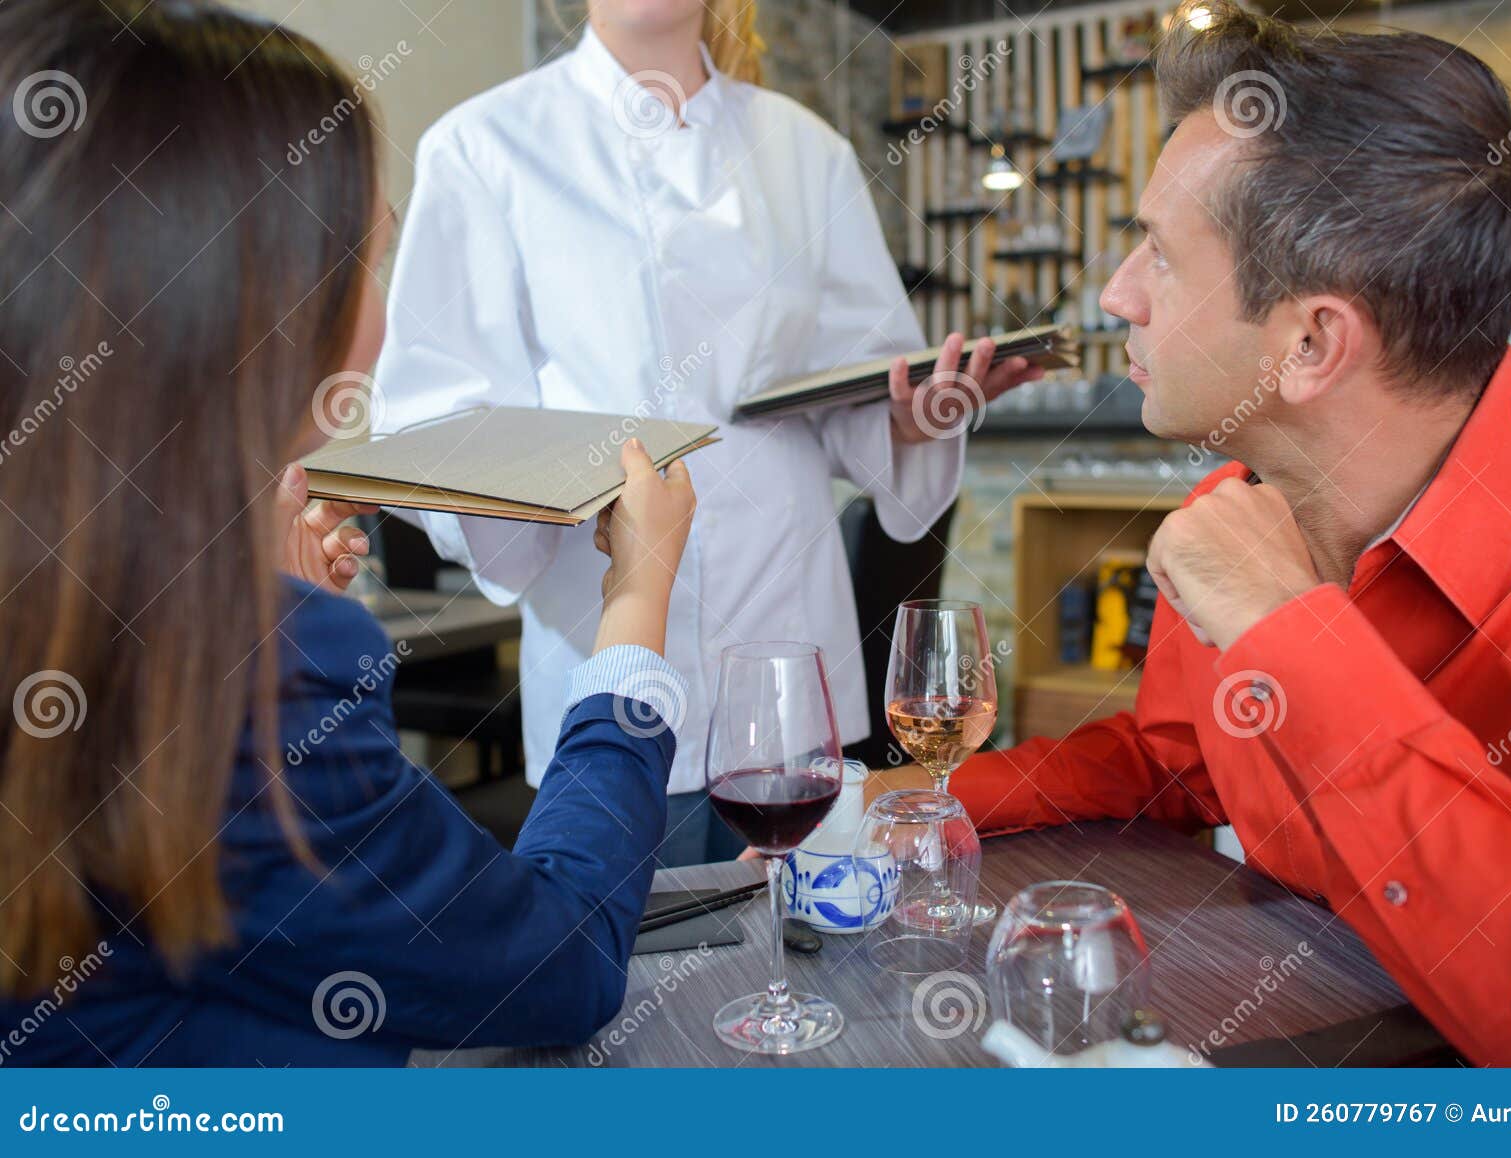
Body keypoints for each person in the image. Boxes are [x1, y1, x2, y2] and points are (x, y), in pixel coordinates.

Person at [0, 0, 694, 1066]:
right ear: (263, 304)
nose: (384, 319)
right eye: (373, 259)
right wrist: (637, 601)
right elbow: (562, 965)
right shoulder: (247, 687)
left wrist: (269, 613)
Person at [953, 3, 1511, 1066]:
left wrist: (1287, 628)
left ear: (1308, 344)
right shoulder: (1239, 511)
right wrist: (914, 803)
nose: (1117, 295)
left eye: (1160, 254)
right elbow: (1179, 766)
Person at [372, 0, 1045, 866]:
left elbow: (858, 390)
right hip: (603, 644)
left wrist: (910, 418)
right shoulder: (485, 147)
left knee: (798, 937)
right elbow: (432, 419)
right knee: (632, 942)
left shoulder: (806, 152)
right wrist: (545, 492)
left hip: (788, 638)